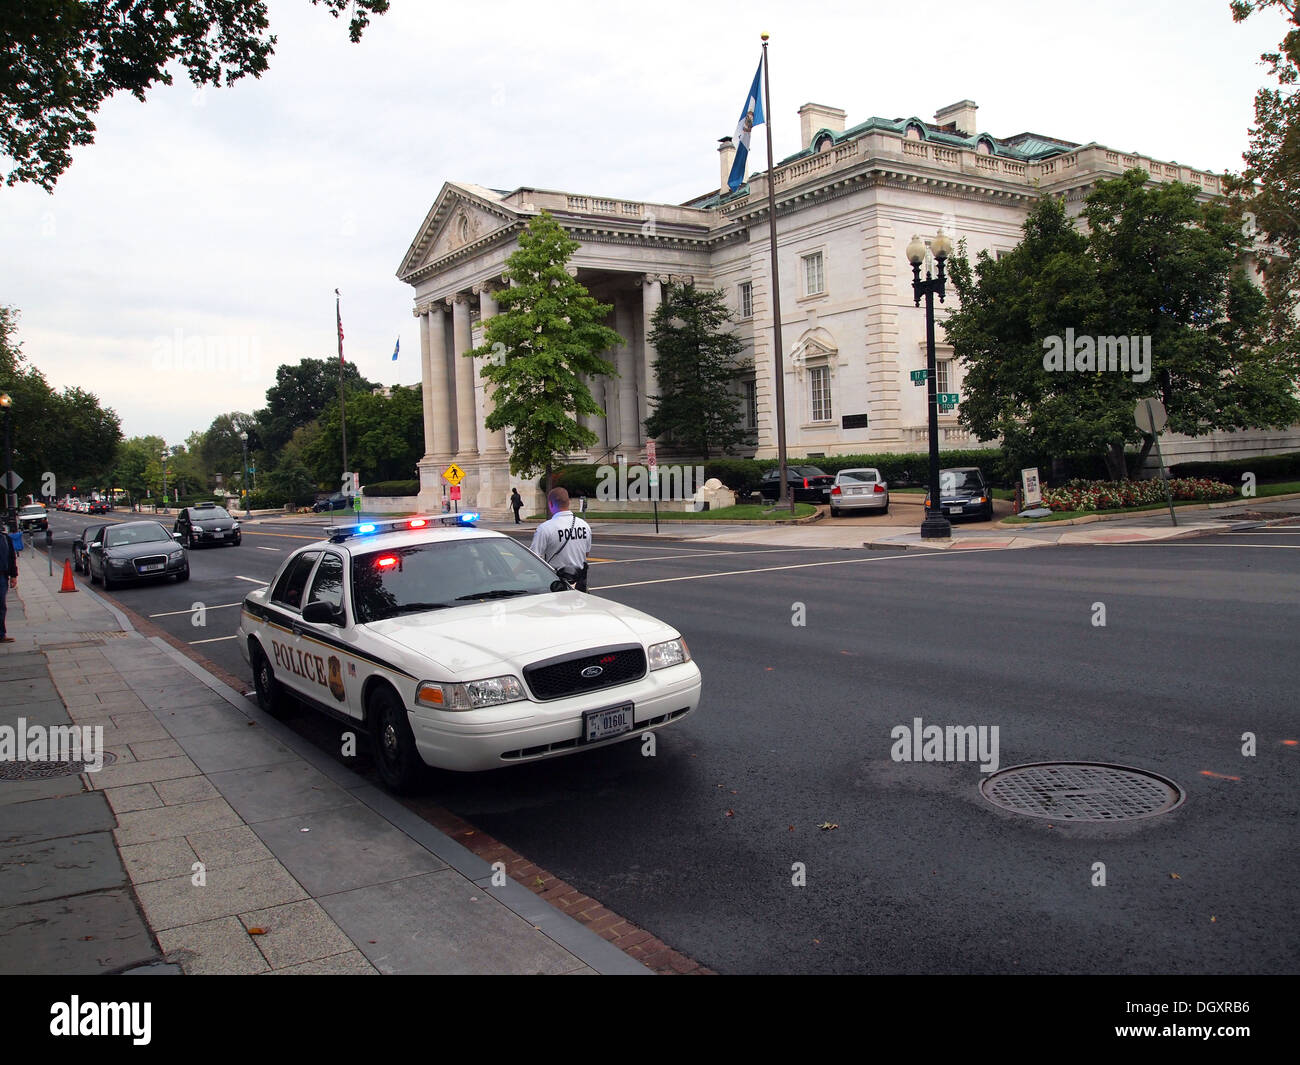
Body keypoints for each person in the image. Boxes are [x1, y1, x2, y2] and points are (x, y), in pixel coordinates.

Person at [530, 487, 592, 592]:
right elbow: (586, 554)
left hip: (558, 586)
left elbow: (533, 558)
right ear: (569, 502)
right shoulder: (585, 525)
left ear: (550, 504)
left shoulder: (545, 528)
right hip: (580, 585)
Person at [0, 523, 18, 643]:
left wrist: (13, 575)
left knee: (1, 606)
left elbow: (12, 558)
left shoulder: (5, 538)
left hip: (2, 575)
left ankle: (1, 634)